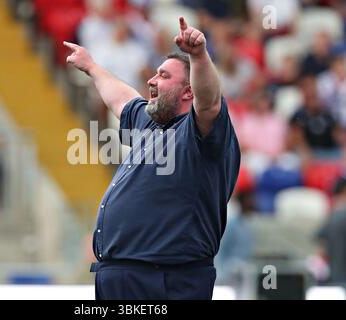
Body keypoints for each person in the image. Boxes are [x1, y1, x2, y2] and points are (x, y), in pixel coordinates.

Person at [64, 17, 240, 300]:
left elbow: (209, 102)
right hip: (122, 275)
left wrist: (199, 56)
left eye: (163, 75)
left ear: (188, 91)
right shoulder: (151, 125)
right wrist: (92, 67)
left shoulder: (201, 133)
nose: (151, 80)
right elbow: (121, 99)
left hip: (166, 280)